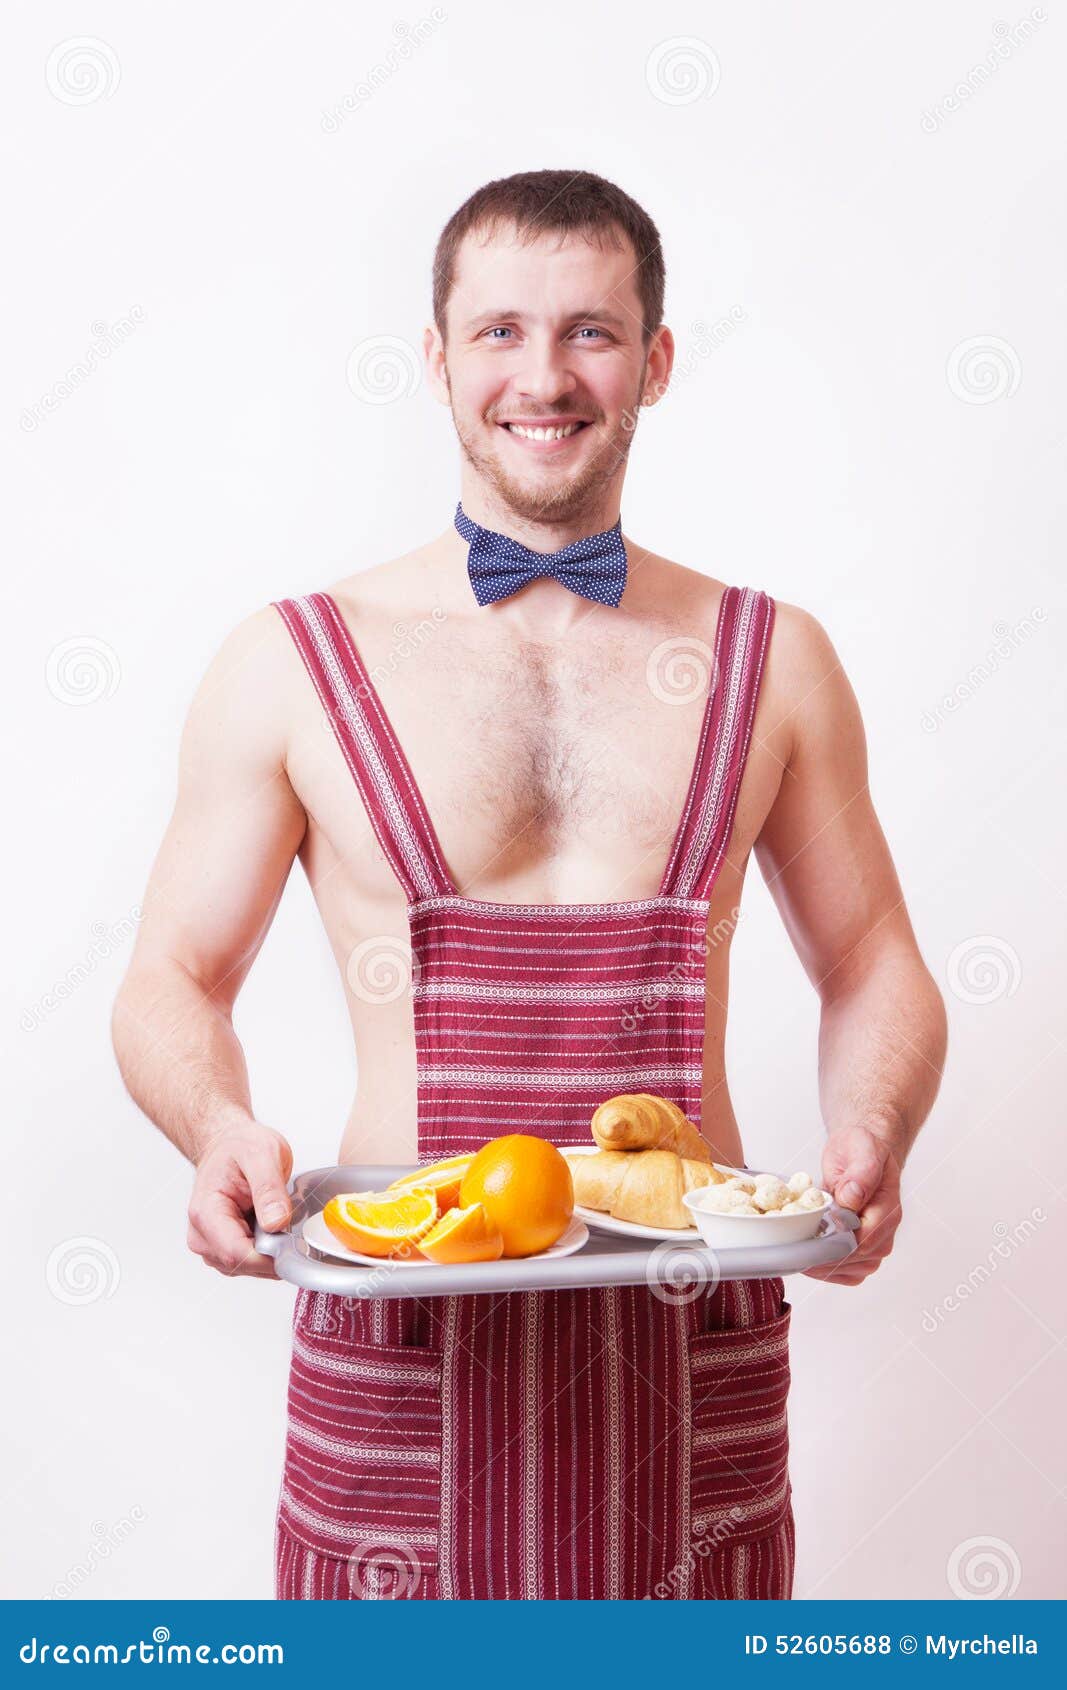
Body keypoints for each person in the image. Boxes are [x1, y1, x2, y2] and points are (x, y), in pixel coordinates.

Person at [112, 169, 947, 1601]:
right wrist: (217, 1127)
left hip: (689, 1348)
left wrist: (873, 1131)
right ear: (438, 359)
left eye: (590, 332)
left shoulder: (775, 660)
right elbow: (169, 978)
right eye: (499, 330)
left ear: (656, 362)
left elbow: (872, 956)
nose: (544, 377)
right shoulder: (290, 662)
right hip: (399, 1355)